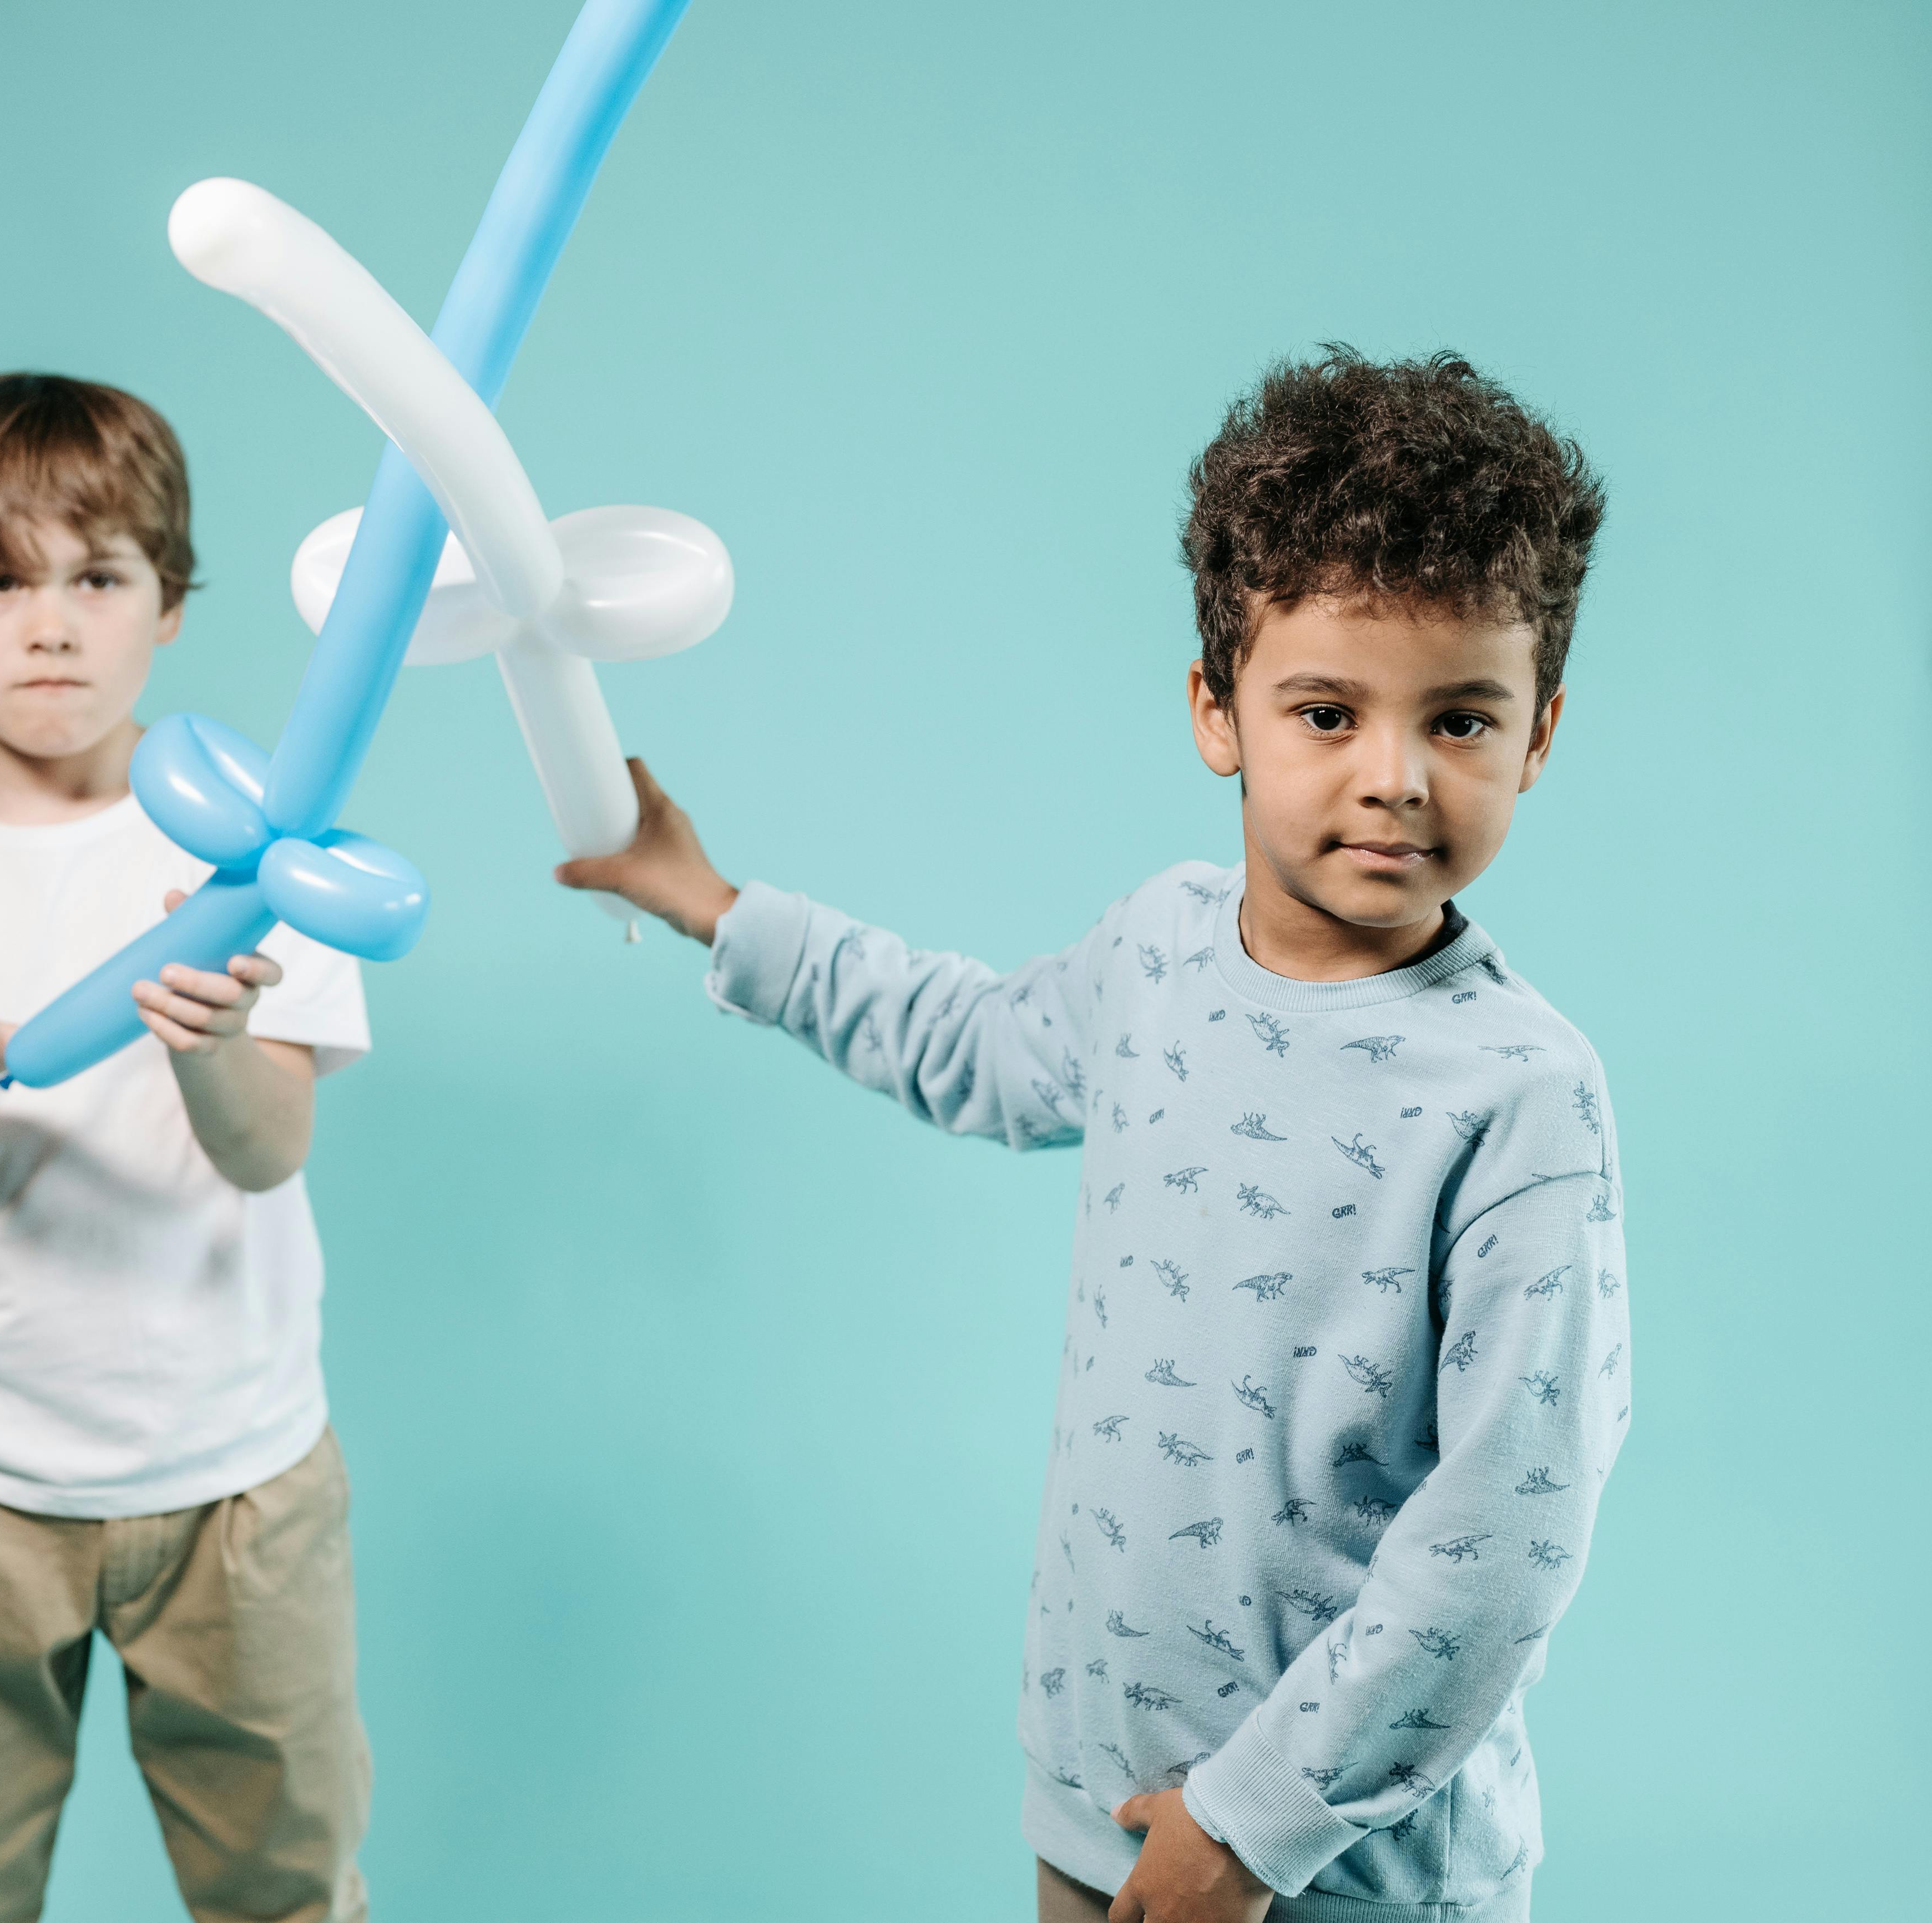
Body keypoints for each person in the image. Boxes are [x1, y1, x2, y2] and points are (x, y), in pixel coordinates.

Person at [563, 351, 1626, 1923]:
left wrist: (1257, 1824)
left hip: (1356, 1868)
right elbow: (975, 1044)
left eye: (1461, 719)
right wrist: (712, 903)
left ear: (1537, 733)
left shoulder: (1522, 1092)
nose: (1395, 778)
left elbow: (1501, 1543)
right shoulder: (1157, 952)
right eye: (1326, 710)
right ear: (1218, 710)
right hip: (1100, 1794)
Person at [0, 373, 373, 1923]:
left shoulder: (261, 845)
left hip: (239, 1480)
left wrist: (218, 1044)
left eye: (98, 578)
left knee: (287, 1890)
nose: (52, 626)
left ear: (168, 604)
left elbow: (268, 1152)